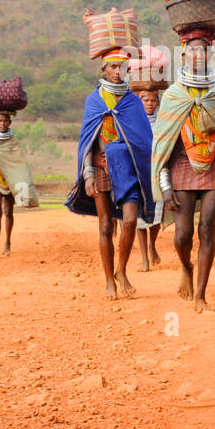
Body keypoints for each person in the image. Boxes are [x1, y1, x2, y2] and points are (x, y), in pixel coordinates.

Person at [150, 29, 215, 313]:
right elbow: (163, 145)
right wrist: (165, 187)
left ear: (210, 55)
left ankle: (201, 295)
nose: (198, 55)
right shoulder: (173, 95)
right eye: (192, 50)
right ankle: (185, 267)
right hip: (181, 165)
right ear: (184, 55)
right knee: (182, 234)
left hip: (213, 166)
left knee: (207, 229)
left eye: (203, 50)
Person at [65, 48, 155, 299]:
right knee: (105, 226)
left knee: (129, 221)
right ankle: (109, 280)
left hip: (128, 168)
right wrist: (89, 174)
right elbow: (87, 140)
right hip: (100, 166)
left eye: (122, 67)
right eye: (113, 67)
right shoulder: (93, 101)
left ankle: (122, 270)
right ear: (103, 69)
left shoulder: (133, 102)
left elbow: (143, 141)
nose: (118, 72)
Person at [0, 110, 39, 258]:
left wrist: (23, 181)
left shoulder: (13, 142)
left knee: (8, 212)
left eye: (5, 121)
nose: (2, 123)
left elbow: (19, 164)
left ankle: (7, 242)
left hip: (10, 180)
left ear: (10, 123)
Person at [133, 86, 165, 271]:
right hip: (138, 173)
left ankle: (152, 244)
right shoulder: (135, 120)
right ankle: (144, 258)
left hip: (156, 173)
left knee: (156, 216)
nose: (150, 104)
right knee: (137, 217)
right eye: (146, 100)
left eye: (153, 101)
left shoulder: (162, 121)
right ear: (140, 101)